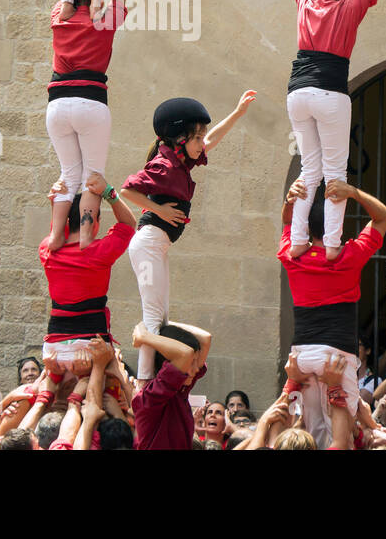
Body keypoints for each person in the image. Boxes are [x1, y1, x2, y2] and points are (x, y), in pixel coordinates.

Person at [120, 93, 255, 379]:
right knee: (153, 320)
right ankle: (144, 383)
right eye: (196, 138)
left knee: (161, 318)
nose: (201, 143)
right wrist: (160, 210)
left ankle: (156, 375)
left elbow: (212, 140)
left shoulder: (181, 160)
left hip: (158, 247)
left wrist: (237, 112)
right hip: (147, 245)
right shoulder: (164, 165)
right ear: (180, 139)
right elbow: (127, 190)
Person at [287, 0, 386, 259]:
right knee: (335, 173)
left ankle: (299, 240)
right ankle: (331, 245)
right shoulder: (350, 6)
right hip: (330, 93)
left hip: (297, 92)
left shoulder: (305, 1)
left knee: (309, 171)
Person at [278, 177, 386, 448]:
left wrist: (290, 201)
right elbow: (384, 217)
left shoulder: (290, 256)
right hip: (337, 358)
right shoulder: (348, 256)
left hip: (302, 357)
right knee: (341, 440)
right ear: (336, 227)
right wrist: (353, 193)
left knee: (309, 436)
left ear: (304, 227)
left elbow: (286, 223)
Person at [45, 0, 129, 250]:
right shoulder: (104, 21)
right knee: (92, 175)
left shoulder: (60, 16)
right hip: (91, 102)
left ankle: (57, 235)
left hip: (57, 105)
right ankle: (85, 237)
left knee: (68, 173)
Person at [39, 173, 136, 382]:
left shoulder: (47, 251)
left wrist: (56, 205)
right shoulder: (100, 251)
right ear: (95, 221)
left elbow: (58, 234)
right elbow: (128, 224)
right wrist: (109, 193)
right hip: (92, 347)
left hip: (54, 351)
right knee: (114, 401)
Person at [130, 320, 212, 450]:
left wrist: (158, 322)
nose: (197, 369)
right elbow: (185, 354)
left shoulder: (181, 390)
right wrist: (145, 337)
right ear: (167, 364)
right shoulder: (149, 398)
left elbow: (206, 339)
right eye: (192, 362)